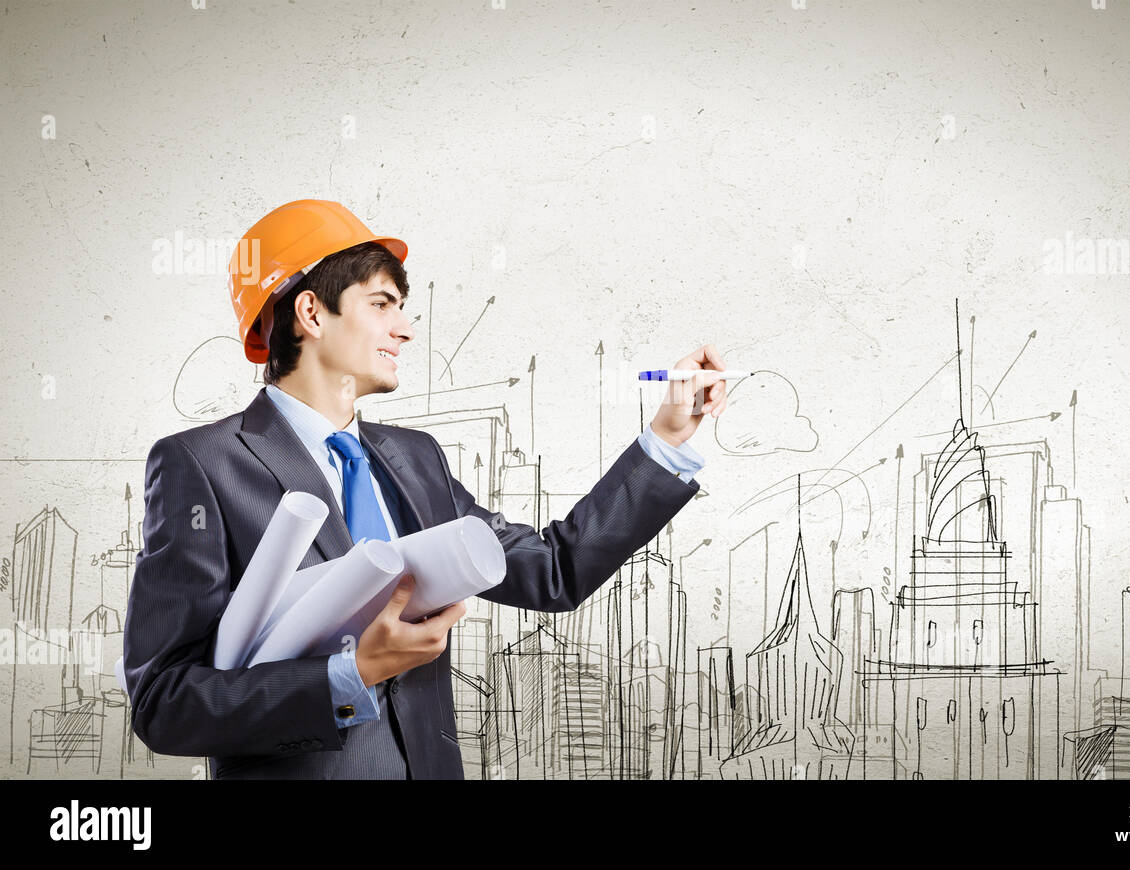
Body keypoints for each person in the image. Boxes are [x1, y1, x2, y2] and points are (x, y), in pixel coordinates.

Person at [122, 199, 730, 779]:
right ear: (311, 314)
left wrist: (667, 437)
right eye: (382, 304)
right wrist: (347, 675)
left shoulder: (415, 460)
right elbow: (164, 703)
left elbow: (554, 569)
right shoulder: (200, 465)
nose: (406, 329)